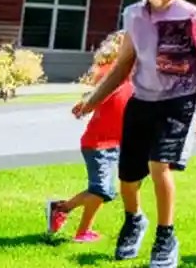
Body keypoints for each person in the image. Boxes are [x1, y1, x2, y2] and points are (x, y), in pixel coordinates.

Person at [72, 0, 196, 268]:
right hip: (141, 101)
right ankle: (134, 220)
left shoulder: (192, 16)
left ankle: (166, 236)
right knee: (128, 176)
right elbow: (123, 64)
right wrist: (92, 101)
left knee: (159, 166)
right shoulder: (134, 15)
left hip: (179, 101)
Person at [48, 31, 134, 243]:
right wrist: (86, 103)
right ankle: (71, 218)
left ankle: (65, 213)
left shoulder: (133, 72)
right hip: (98, 143)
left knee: (103, 190)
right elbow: (100, 91)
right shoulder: (110, 71)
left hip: (117, 142)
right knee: (102, 190)